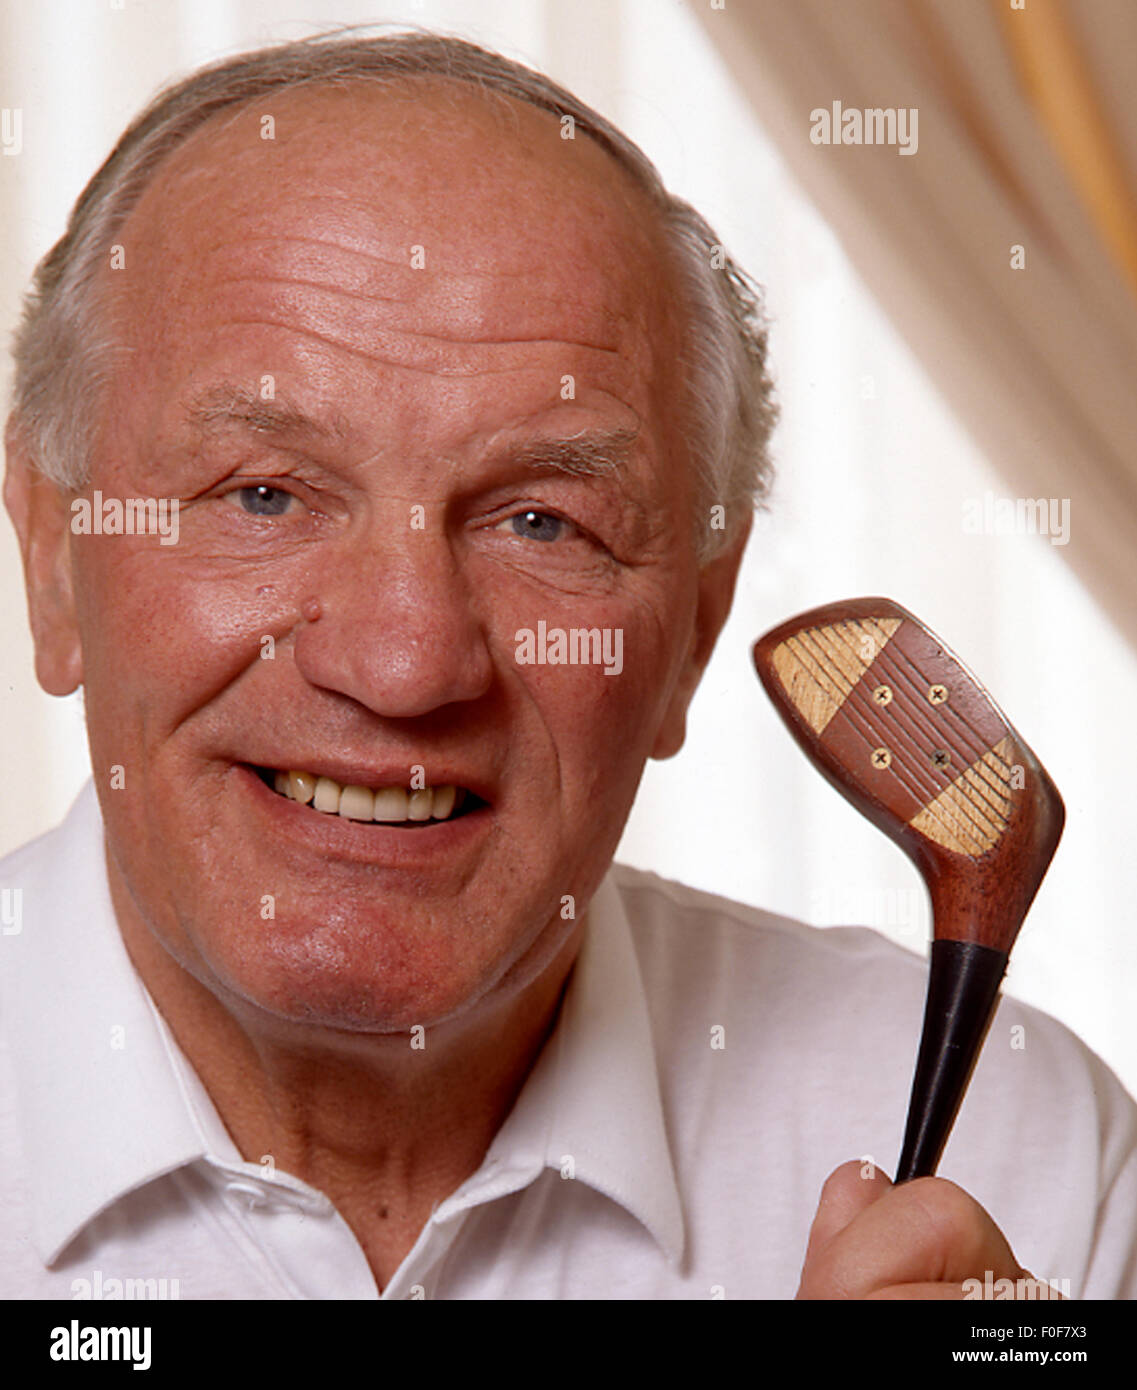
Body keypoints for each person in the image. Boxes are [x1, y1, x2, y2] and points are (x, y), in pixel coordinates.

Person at [2, 30, 1134, 1301]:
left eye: (545, 522)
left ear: (694, 630)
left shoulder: (1023, 1150)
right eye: (264, 495)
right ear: (54, 556)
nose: (405, 661)